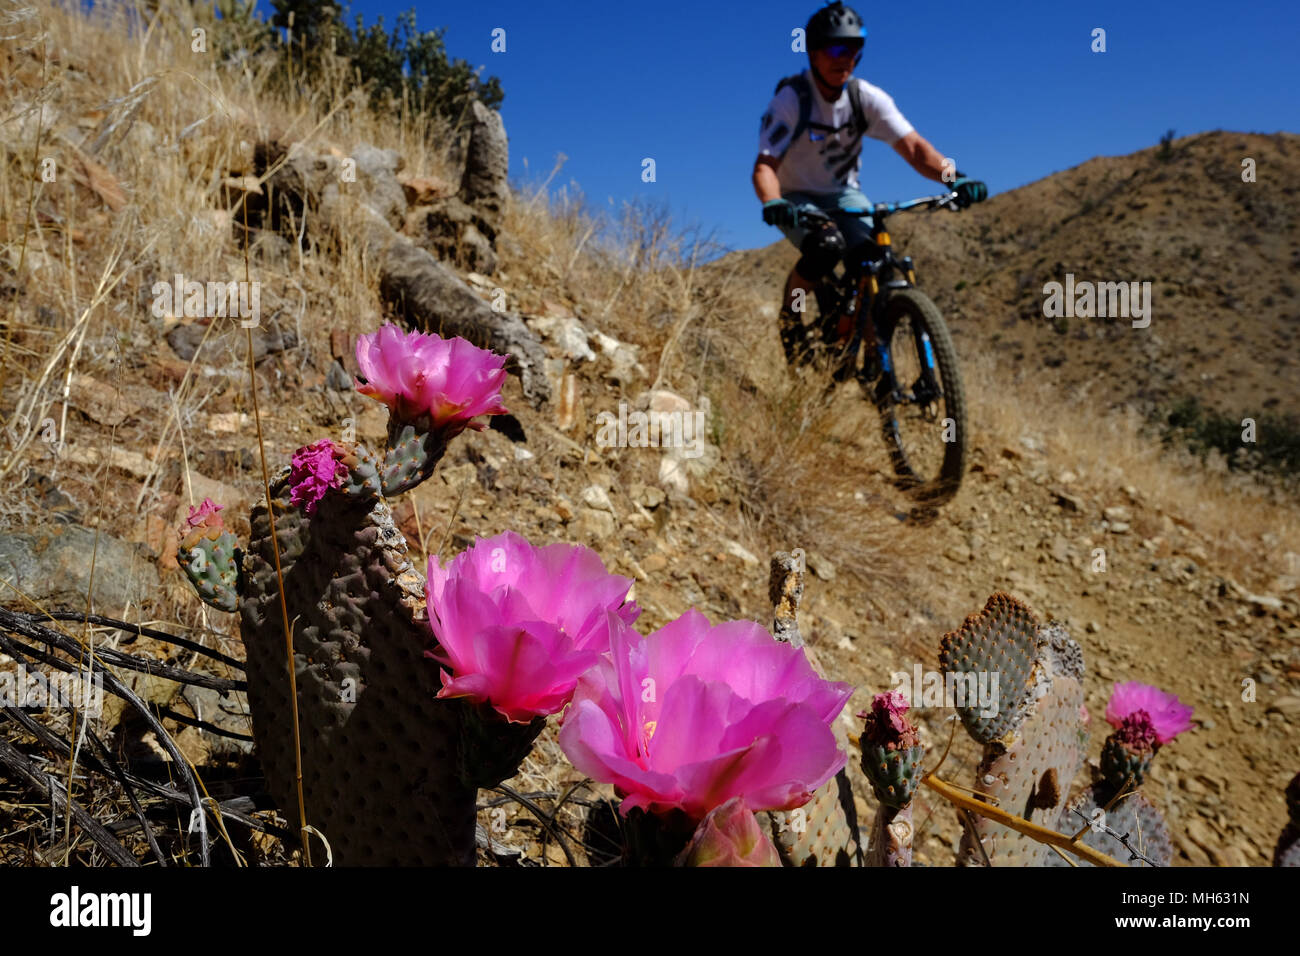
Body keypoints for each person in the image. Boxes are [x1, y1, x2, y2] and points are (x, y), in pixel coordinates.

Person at [753, 2, 988, 365]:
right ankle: (792, 318)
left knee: (871, 260)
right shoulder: (791, 100)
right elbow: (765, 166)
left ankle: (870, 357)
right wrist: (773, 201)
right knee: (826, 247)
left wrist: (955, 178)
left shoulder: (865, 98)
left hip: (844, 195)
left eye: (852, 49)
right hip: (795, 196)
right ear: (813, 52)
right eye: (834, 48)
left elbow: (913, 147)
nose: (843, 58)